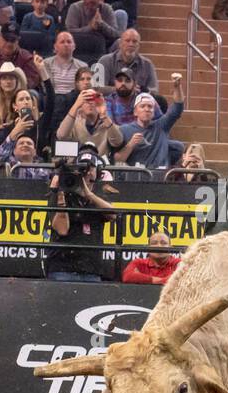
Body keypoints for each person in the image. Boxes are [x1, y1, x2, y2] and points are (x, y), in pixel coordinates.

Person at [45, 148, 116, 282]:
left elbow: (113, 215)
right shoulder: (61, 192)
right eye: (83, 168)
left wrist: (89, 195)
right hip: (62, 267)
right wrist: (61, 196)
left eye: (91, 168)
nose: (87, 172)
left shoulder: (99, 196)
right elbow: (62, 229)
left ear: (98, 172)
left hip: (91, 268)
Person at [116, 80, 186, 169]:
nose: (147, 109)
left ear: (154, 111)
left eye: (150, 106)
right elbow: (117, 160)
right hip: (135, 178)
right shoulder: (124, 130)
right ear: (135, 112)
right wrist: (130, 144)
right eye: (142, 106)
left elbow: (177, 108)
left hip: (160, 177)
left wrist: (177, 86)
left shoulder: (162, 125)